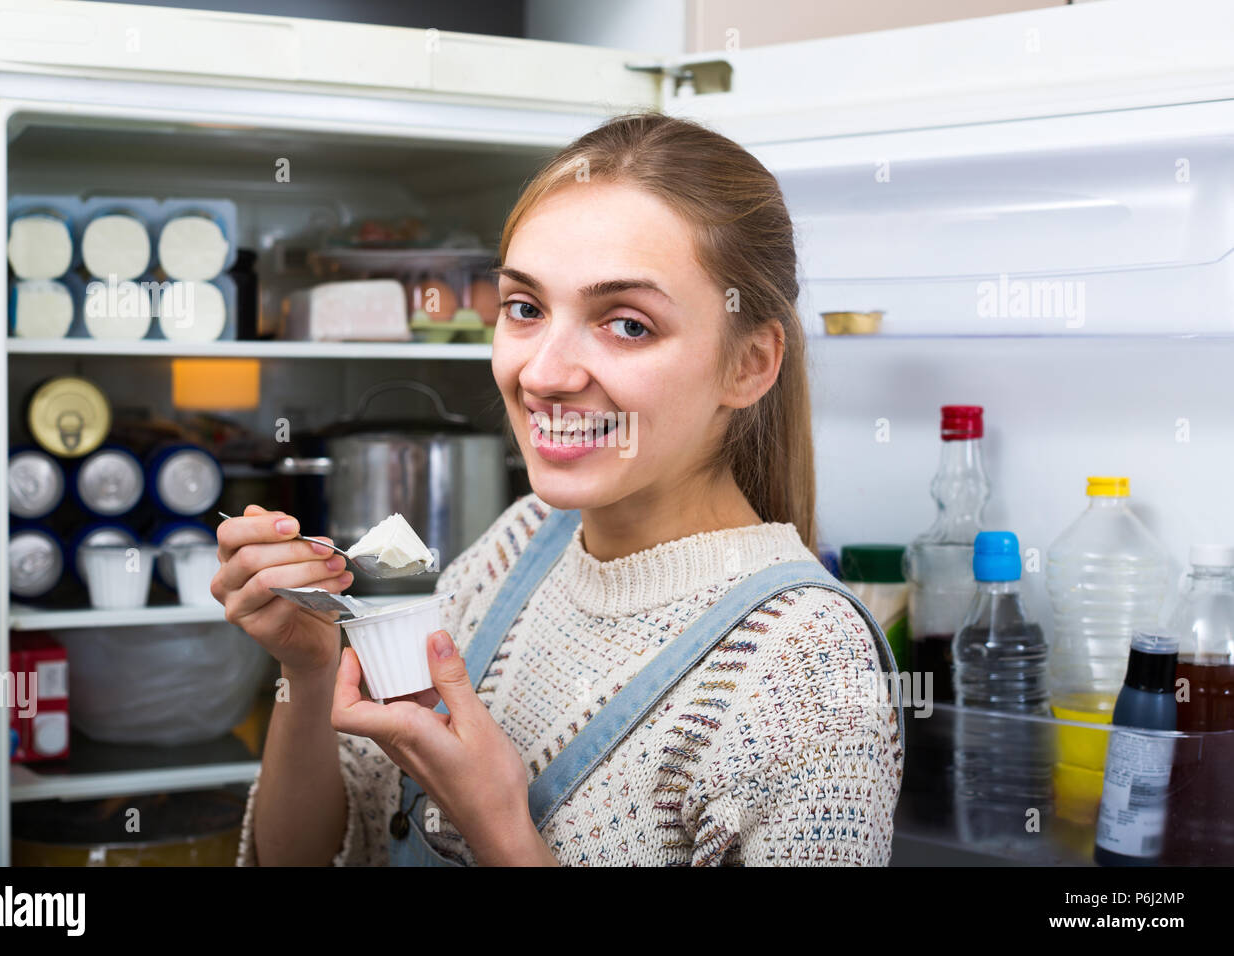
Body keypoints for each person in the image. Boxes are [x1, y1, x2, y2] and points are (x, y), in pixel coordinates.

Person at [215, 111, 903, 867]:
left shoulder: (807, 668)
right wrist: (309, 674)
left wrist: (499, 825)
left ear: (749, 365)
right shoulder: (522, 541)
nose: (543, 373)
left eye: (628, 325)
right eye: (525, 308)